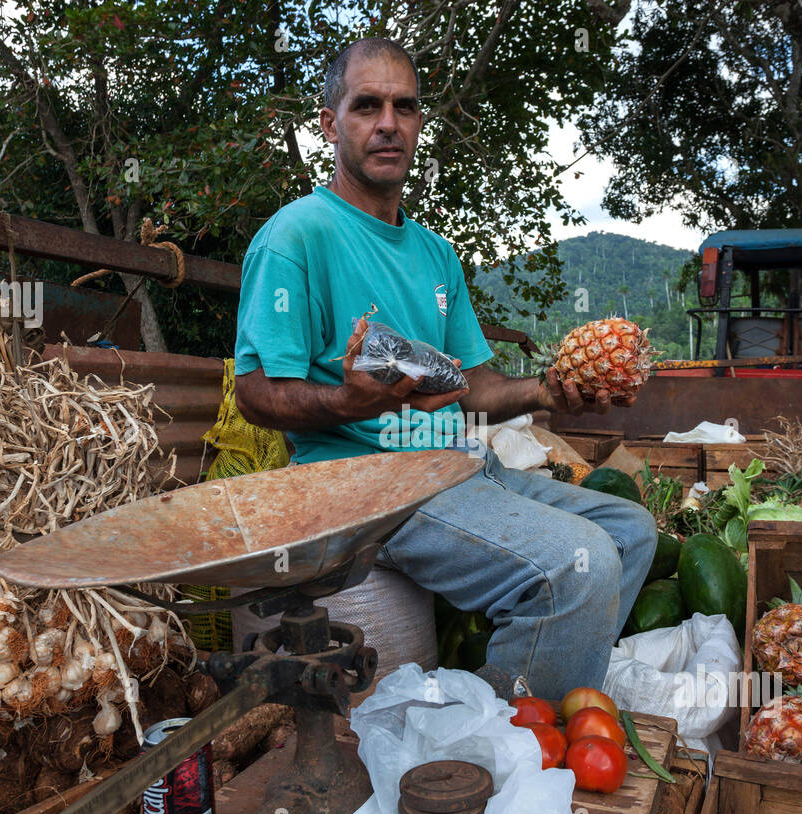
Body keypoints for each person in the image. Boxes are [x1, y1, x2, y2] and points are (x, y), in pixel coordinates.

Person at [233, 37, 656, 699]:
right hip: (369, 484)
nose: (387, 123)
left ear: (419, 124)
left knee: (628, 530)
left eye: (404, 107)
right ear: (329, 123)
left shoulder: (436, 254)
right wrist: (346, 405)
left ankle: (506, 693)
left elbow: (473, 387)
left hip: (458, 465)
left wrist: (546, 390)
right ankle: (505, 742)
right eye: (366, 105)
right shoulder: (297, 236)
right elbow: (255, 391)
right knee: (580, 567)